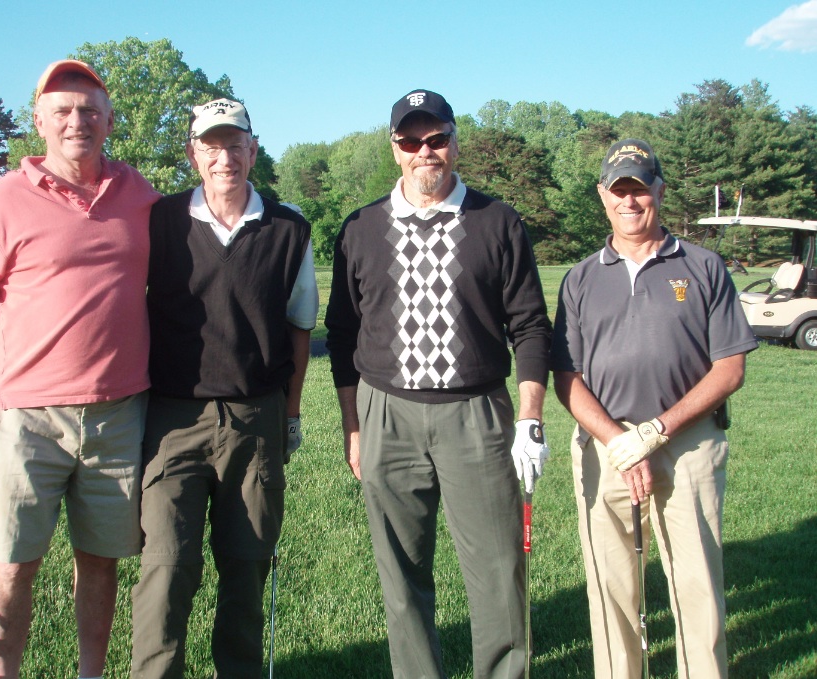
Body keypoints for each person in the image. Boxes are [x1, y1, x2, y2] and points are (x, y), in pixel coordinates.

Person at [325, 89, 552, 679]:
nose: (425, 151)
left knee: (499, 573)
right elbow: (342, 333)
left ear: (455, 142)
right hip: (386, 413)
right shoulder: (360, 228)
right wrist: (354, 427)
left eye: (437, 139)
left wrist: (529, 418)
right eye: (410, 140)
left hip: (476, 415)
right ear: (394, 148)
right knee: (401, 577)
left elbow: (530, 325)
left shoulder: (496, 221)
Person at [0, 59, 159, 679]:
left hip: (120, 415)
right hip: (25, 420)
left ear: (110, 121)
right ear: (38, 121)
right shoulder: (1, 201)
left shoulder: (139, 194)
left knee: (99, 560)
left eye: (90, 110)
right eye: (62, 110)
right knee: (13, 563)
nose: (77, 122)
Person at [550, 139, 758, 679]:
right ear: (602, 196)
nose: (629, 200)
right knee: (612, 590)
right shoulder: (580, 278)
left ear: (659, 191)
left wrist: (655, 432)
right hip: (605, 447)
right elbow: (566, 378)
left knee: (697, 587)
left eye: (639, 189)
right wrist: (620, 441)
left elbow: (729, 367)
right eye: (618, 190)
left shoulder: (704, 266)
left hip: (688, 445)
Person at [130, 98, 318, 678]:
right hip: (172, 420)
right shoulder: (159, 222)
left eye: (235, 144)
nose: (224, 157)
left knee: (246, 566)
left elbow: (299, 329)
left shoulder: (289, 230)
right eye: (211, 146)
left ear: (253, 150)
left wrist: (288, 416)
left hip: (256, 419)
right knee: (166, 566)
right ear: (194, 154)